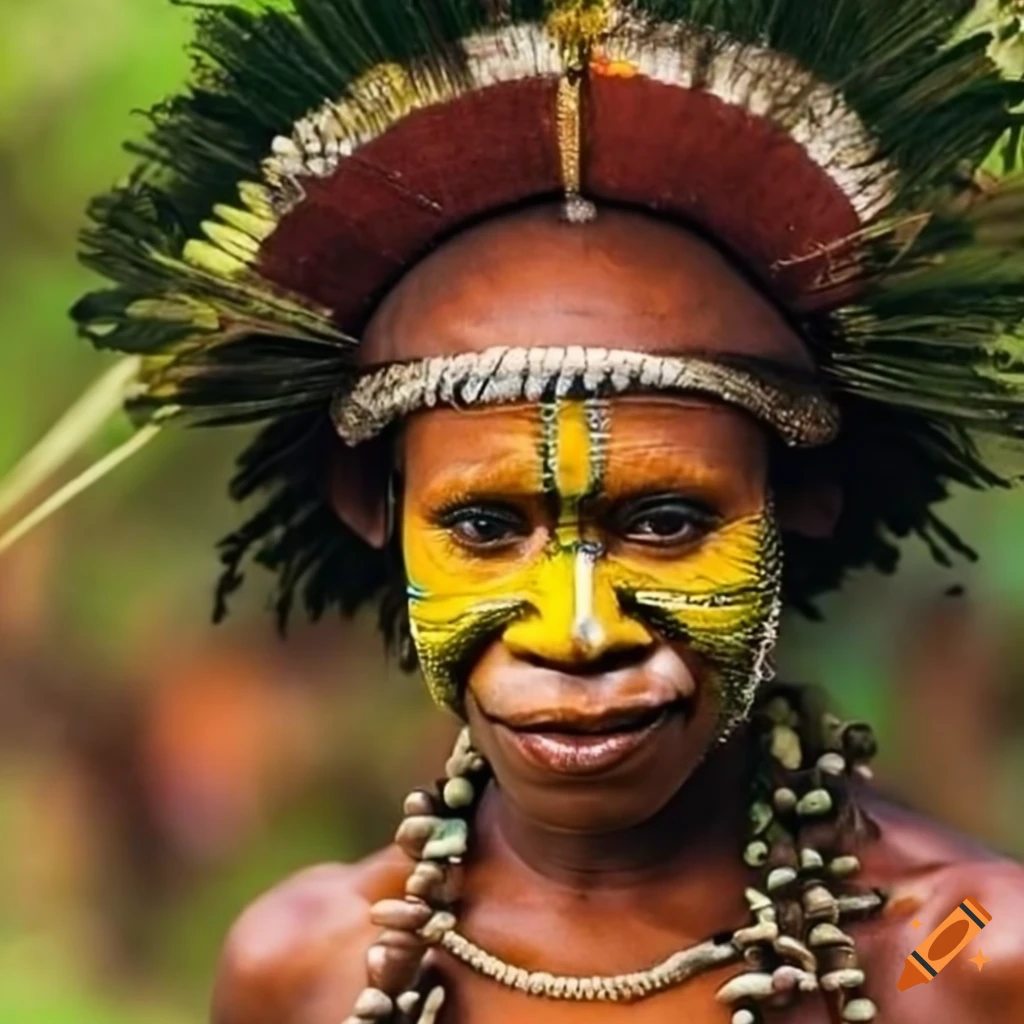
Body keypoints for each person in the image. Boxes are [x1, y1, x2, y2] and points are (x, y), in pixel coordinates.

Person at [2, 1, 1024, 1022]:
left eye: (664, 521)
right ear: (377, 508)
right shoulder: (306, 968)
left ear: (796, 500)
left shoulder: (957, 955)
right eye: (486, 528)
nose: (578, 629)